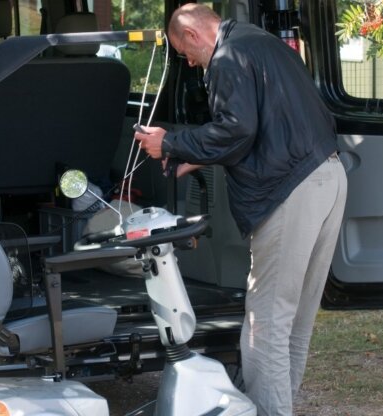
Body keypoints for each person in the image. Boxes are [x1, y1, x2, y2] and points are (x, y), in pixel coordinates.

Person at [134, 4, 347, 415]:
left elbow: (237, 128)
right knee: (295, 320)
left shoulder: (225, 58)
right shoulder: (265, 44)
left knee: (265, 324)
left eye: (185, 55)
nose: (192, 65)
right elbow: (263, 125)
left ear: (193, 36)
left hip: (290, 190)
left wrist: (172, 143)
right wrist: (195, 156)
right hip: (328, 176)